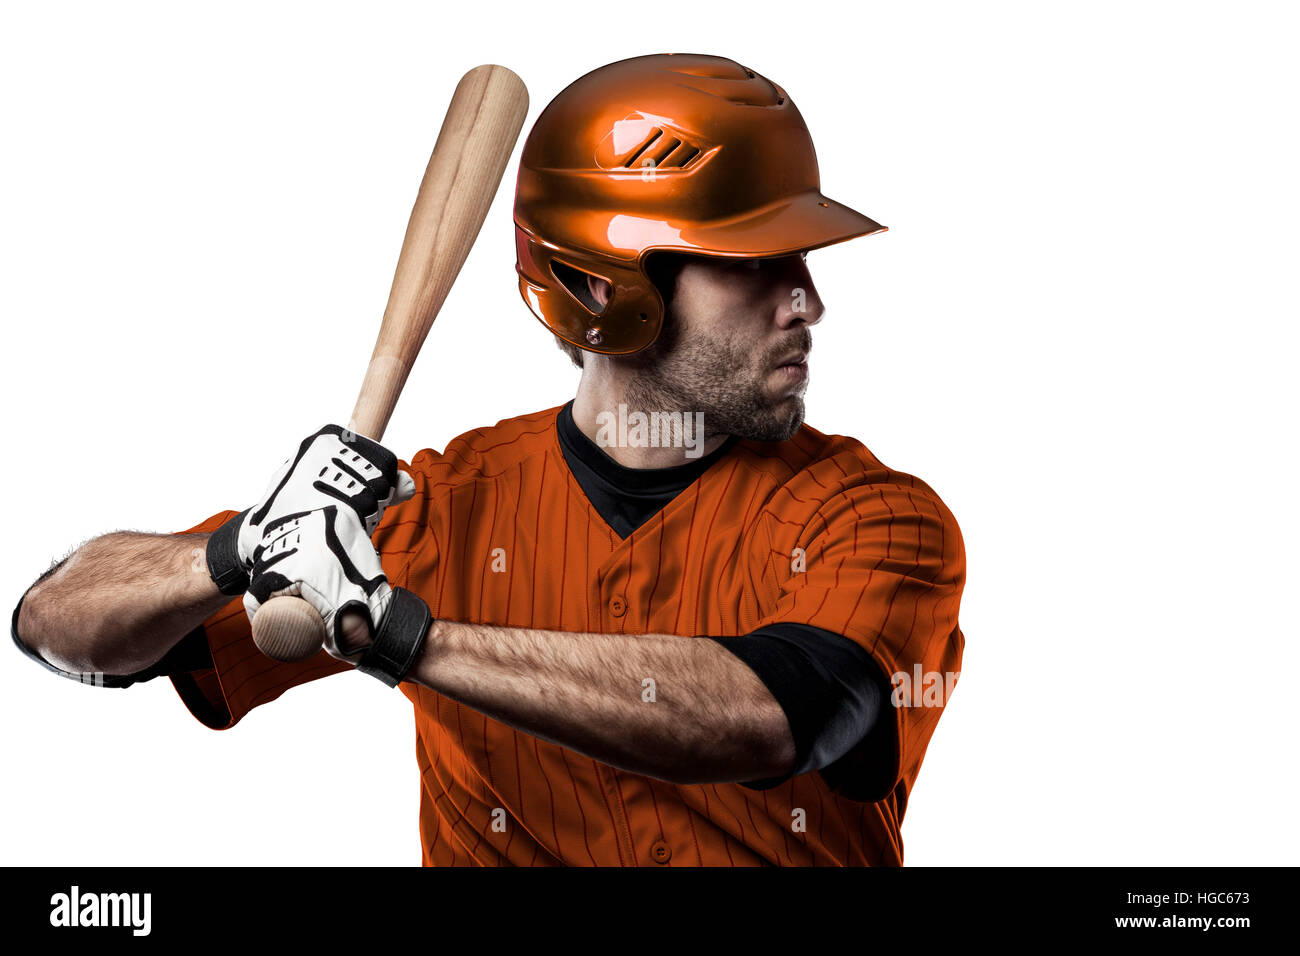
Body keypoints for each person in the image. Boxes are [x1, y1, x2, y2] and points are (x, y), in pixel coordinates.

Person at [13, 53, 966, 866]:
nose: (806, 301)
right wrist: (238, 552)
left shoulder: (875, 515)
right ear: (601, 285)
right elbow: (58, 625)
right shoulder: (442, 507)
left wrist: (397, 633)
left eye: (800, 260)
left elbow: (777, 714)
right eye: (754, 262)